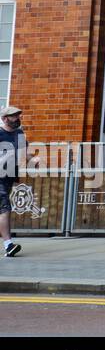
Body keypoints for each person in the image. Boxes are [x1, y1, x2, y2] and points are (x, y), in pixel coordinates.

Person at [0, 105, 27, 257]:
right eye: (13, 116)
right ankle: (8, 245)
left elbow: (23, 152)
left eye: (18, 115)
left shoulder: (19, 133)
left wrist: (33, 159)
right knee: (5, 208)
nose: (17, 118)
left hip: (9, 177)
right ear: (5, 119)